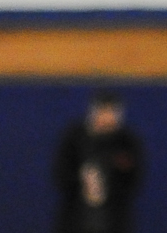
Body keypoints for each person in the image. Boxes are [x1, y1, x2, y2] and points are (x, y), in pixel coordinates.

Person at [54, 91, 143, 233]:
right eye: (102, 111)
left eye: (111, 112)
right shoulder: (74, 139)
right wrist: (83, 183)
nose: (106, 118)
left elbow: (133, 178)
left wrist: (107, 187)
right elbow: (61, 173)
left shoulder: (127, 143)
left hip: (113, 220)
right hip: (76, 219)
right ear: (93, 112)